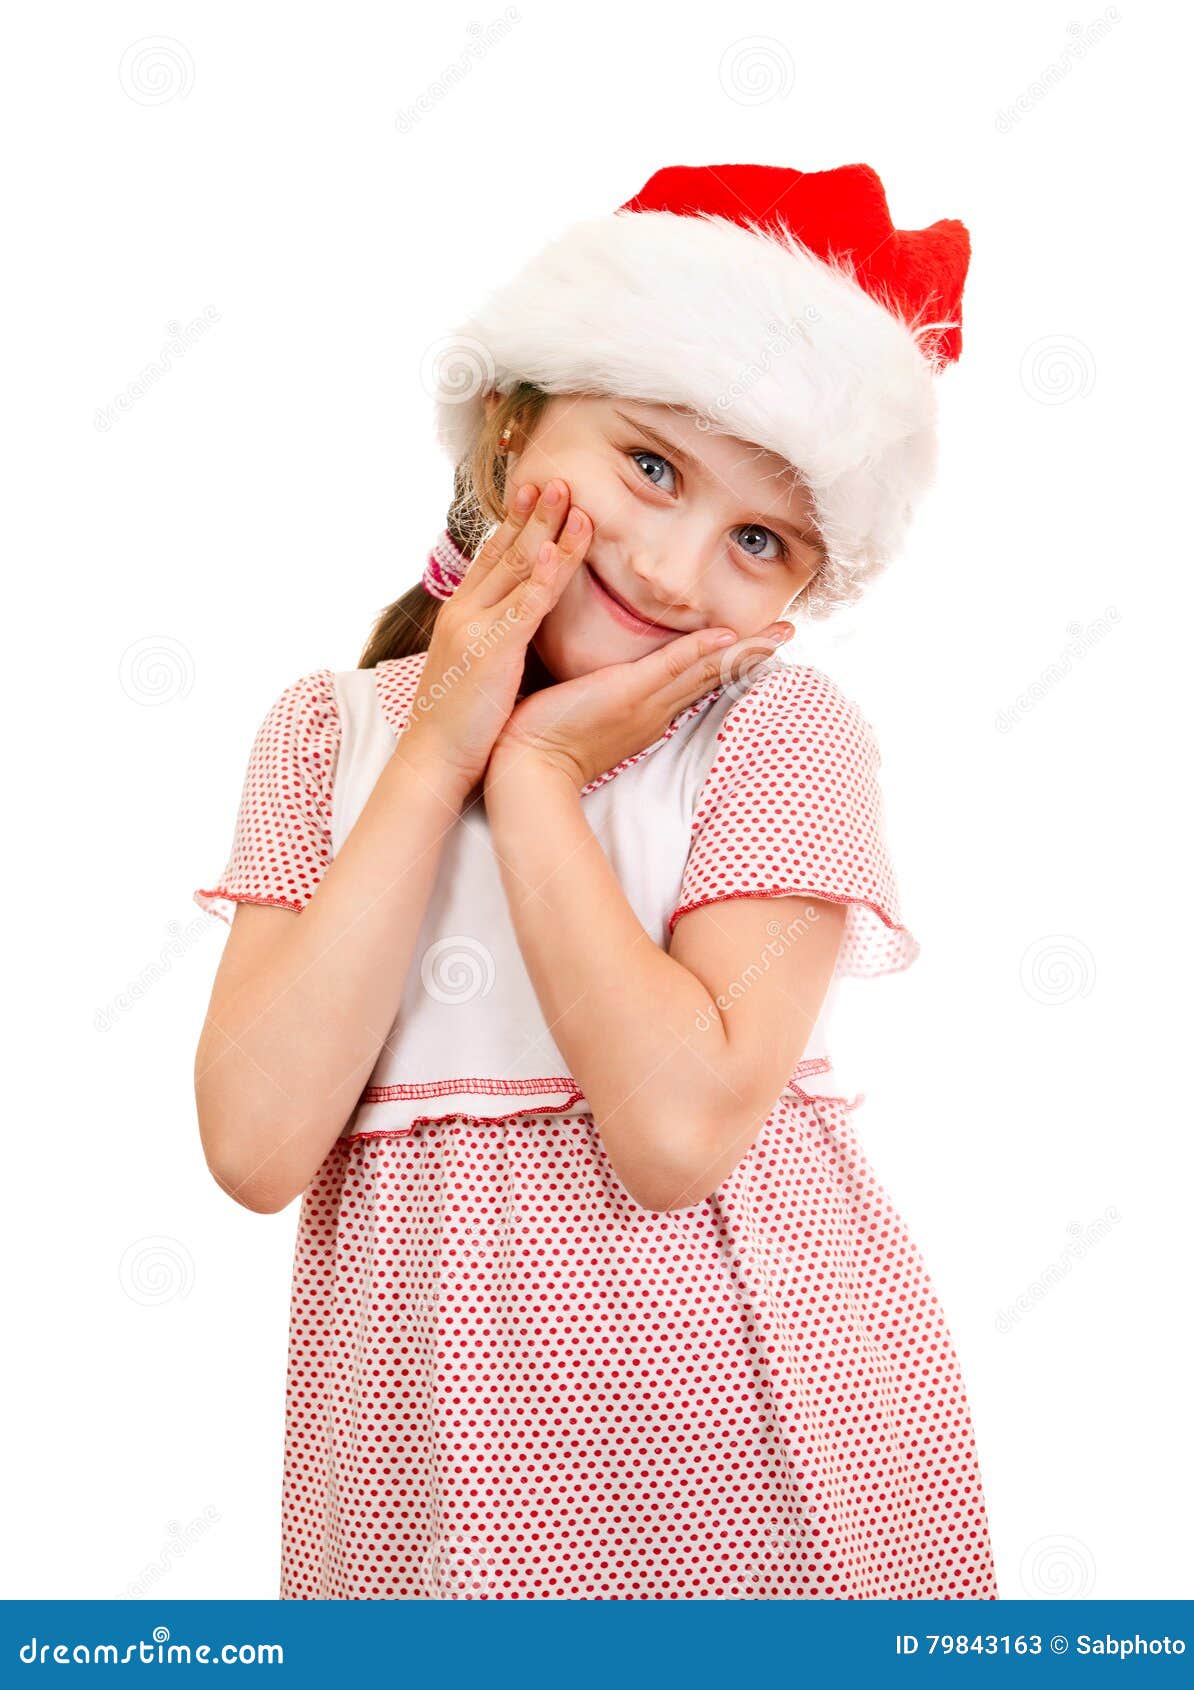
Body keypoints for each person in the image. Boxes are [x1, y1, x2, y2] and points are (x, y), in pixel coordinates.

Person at [193, 160, 999, 1600]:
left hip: (759, 1472)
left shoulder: (776, 734)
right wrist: (441, 748)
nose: (679, 566)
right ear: (509, 427)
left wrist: (540, 782)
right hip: (425, 1484)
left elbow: (678, 1133)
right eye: (650, 465)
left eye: (762, 540)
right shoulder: (328, 736)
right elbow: (257, 1143)